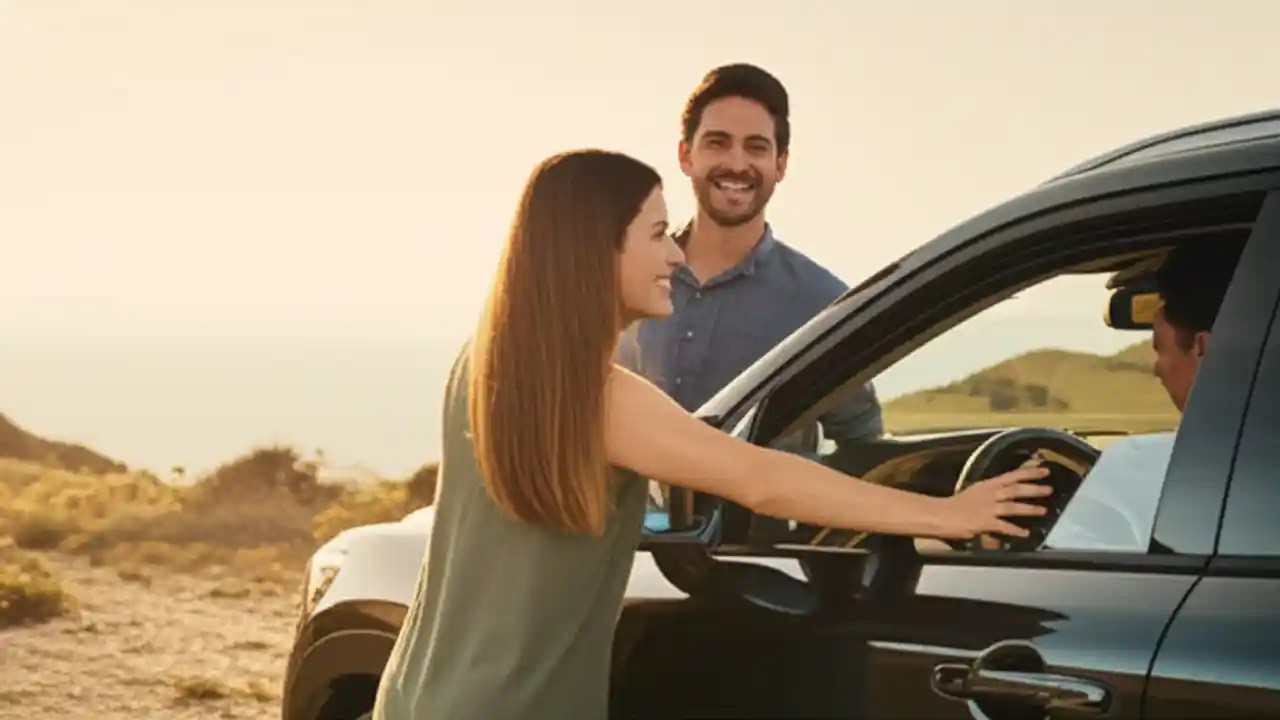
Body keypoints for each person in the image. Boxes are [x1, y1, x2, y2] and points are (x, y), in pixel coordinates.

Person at [368, 149, 1050, 720]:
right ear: (593, 249)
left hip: (421, 695)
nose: (677, 255)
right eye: (659, 234)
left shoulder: (485, 363)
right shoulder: (603, 398)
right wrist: (947, 512)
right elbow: (763, 481)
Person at [618, 63, 882, 453]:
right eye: (717, 142)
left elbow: (861, 445)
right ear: (685, 155)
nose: (737, 164)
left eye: (756, 147)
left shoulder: (823, 304)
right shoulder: (625, 277)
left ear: (781, 164)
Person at [1045, 238, 1245, 551]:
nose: (1156, 370)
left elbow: (1058, 585)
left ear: (1203, 349)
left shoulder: (1145, 469)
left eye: (1159, 350)